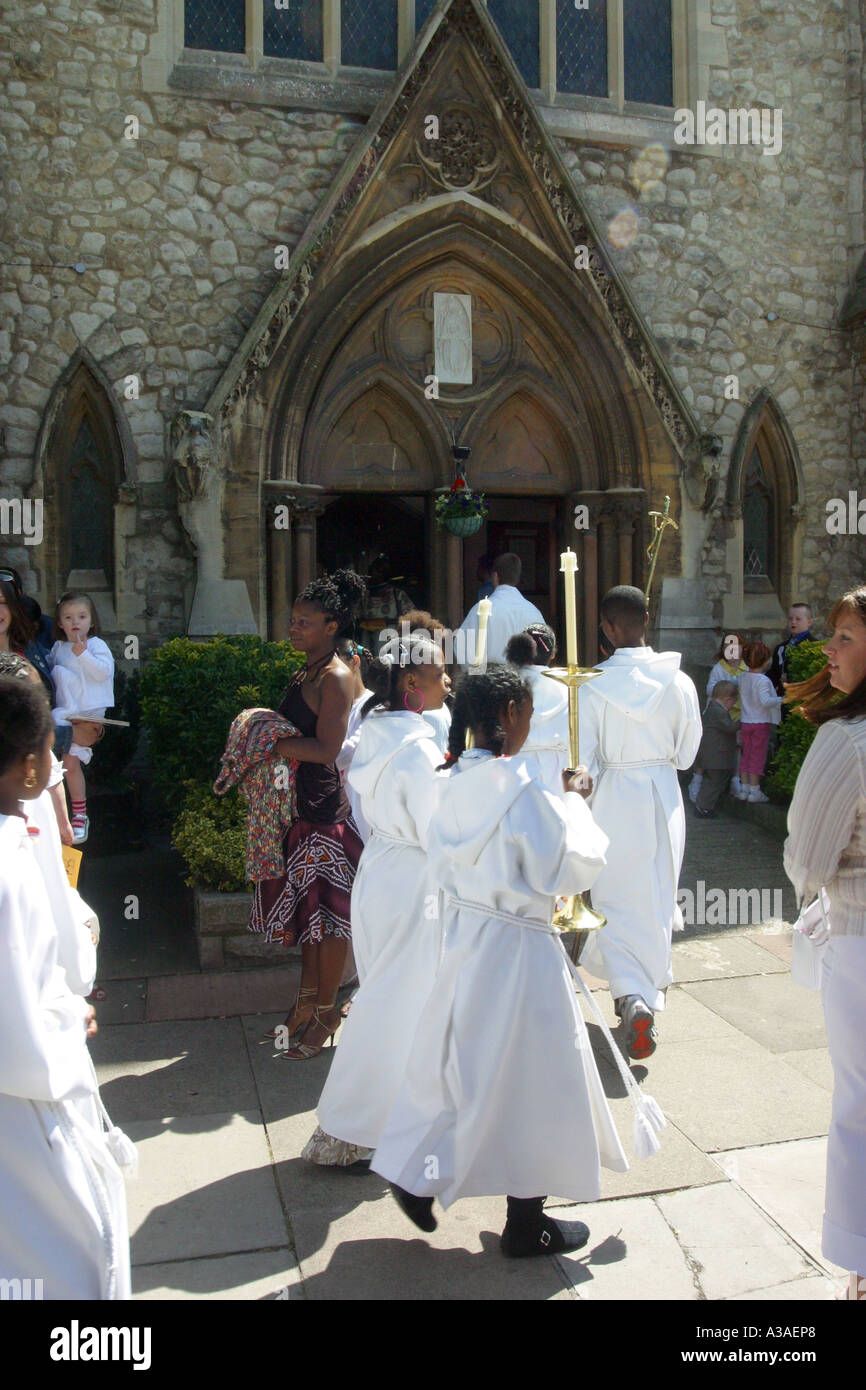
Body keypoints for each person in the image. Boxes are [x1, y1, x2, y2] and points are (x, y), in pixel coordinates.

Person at [373, 665, 664, 1257]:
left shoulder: (450, 779)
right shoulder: (520, 789)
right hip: (520, 955)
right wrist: (577, 804)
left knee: (461, 1068)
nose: (531, 726)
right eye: (528, 715)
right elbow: (567, 867)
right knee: (537, 1081)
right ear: (508, 716)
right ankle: (526, 1223)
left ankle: (417, 1171)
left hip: (467, 944)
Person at [0, 674, 132, 1299]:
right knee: (73, 1259)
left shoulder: (18, 837)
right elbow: (14, 1019)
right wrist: (66, 1020)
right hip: (24, 1106)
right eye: (49, 753)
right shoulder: (6, 869)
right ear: (30, 770)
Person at [302, 633, 451, 1164]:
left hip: (381, 869)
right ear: (412, 684)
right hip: (413, 881)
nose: (448, 681)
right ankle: (348, 1127)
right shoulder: (420, 752)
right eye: (440, 673)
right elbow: (439, 833)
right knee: (393, 999)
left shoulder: (378, 734)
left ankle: (395, 1116)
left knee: (397, 993)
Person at [782, 585, 866, 1302]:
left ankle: (863, 1266)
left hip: (861, 941)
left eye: (843, 636)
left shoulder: (846, 741)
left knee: (860, 1108)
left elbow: (805, 863)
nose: (827, 649)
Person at [577, 586, 702, 1060]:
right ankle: (642, 996)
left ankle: (631, 998)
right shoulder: (680, 681)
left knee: (616, 898)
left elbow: (584, 764)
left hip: (615, 798)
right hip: (663, 796)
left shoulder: (591, 684)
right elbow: (688, 756)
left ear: (607, 629)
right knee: (656, 894)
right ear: (648, 618)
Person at [254, 570, 366, 1059]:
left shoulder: (337, 677)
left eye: (304, 622)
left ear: (331, 625)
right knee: (310, 919)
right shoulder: (310, 670)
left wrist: (269, 742)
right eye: (293, 620)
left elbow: (327, 747)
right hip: (301, 810)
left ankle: (326, 1013)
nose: (293, 628)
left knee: (331, 921)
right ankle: (305, 1003)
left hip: (325, 817)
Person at [48, 591, 115, 844]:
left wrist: (83, 654)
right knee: (62, 765)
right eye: (68, 617)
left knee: (70, 763)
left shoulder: (97, 646)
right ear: (60, 623)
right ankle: (65, 815)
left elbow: (105, 673)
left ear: (91, 621)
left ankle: (79, 815)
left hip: (89, 714)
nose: (75, 622)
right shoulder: (58, 648)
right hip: (66, 713)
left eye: (82, 616)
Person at [505, 624, 570, 797]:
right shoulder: (568, 689)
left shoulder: (504, 687)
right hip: (556, 774)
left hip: (514, 771)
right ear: (554, 654)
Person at [457, 552, 544, 666]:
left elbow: (461, 647)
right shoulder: (534, 612)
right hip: (526, 681)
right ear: (517, 579)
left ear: (495, 576)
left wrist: (475, 675)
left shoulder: (480, 610)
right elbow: (543, 651)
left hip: (490, 681)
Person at [690, 632, 748, 802]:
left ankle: (735, 779)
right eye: (727, 648)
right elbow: (710, 689)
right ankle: (697, 779)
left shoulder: (747, 667)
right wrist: (729, 686)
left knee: (737, 747)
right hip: (719, 716)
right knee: (708, 748)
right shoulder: (719, 668)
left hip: (738, 713)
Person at [737, 640, 783, 801]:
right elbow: (765, 701)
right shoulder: (763, 680)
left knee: (746, 754)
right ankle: (755, 790)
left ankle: (744, 788)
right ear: (765, 661)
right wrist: (781, 699)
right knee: (757, 756)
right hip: (760, 722)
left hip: (745, 721)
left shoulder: (743, 677)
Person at [693, 680, 739, 819]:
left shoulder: (711, 708)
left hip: (712, 755)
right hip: (716, 756)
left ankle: (705, 806)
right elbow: (729, 727)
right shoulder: (718, 711)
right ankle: (703, 807)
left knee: (713, 782)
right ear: (727, 699)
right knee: (713, 783)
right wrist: (741, 724)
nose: (733, 706)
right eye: (733, 702)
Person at [358, 556, 413, 655]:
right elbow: (356, 616)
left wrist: (389, 622)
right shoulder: (363, 595)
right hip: (367, 640)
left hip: (390, 638)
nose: (375, 574)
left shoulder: (397, 594)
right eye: (374, 570)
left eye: (380, 571)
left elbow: (411, 617)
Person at [769, 602, 813, 699]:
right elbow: (773, 674)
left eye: (798, 619)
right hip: (782, 699)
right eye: (790, 619)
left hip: (802, 698)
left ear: (809, 622)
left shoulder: (813, 646)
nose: (793, 622)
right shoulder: (781, 647)